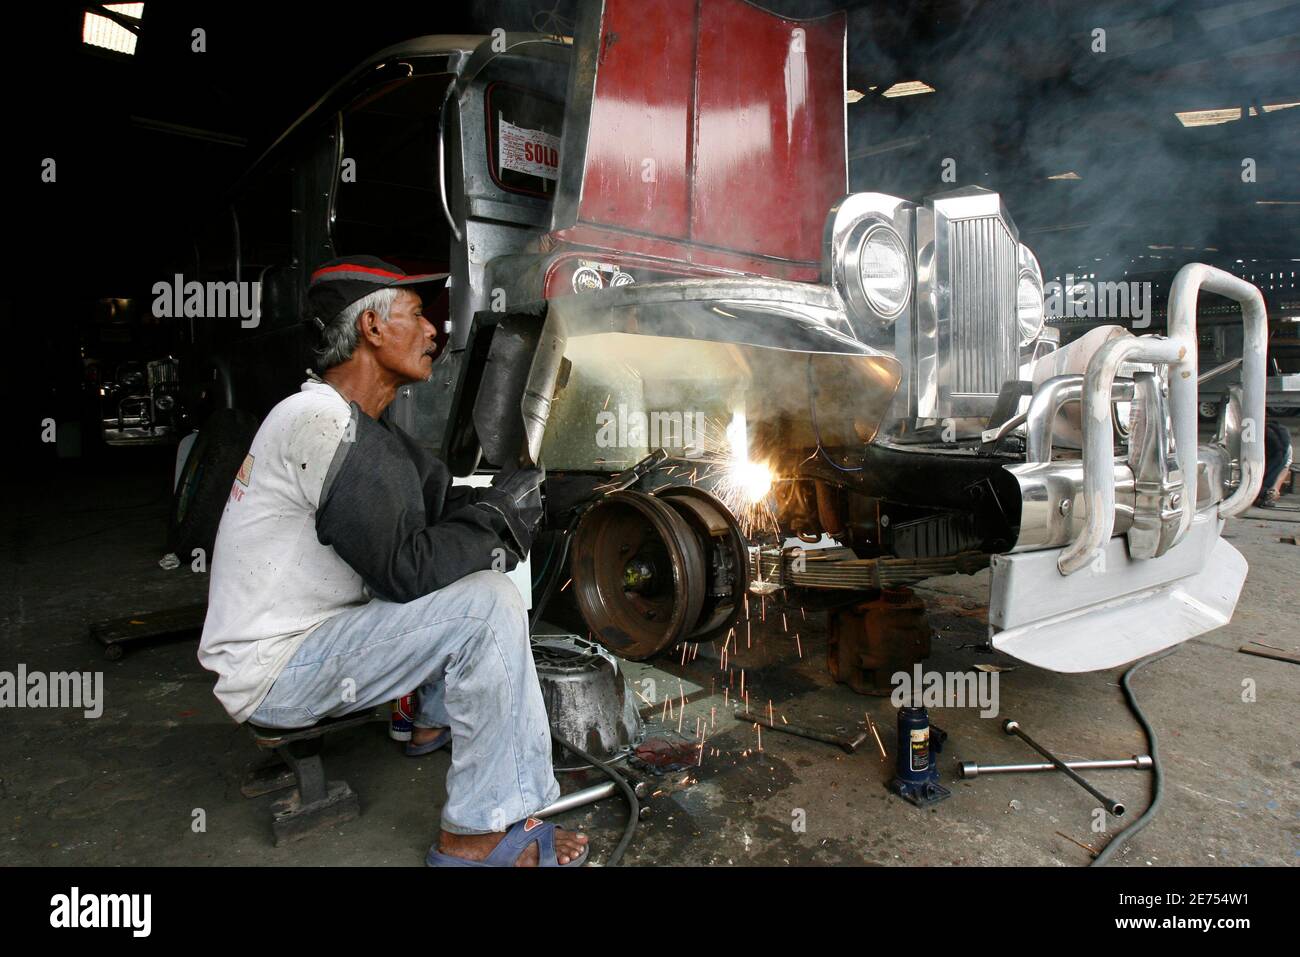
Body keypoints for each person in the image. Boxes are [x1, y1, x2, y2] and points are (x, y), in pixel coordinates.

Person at [198, 255, 589, 867]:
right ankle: (475, 836)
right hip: (278, 672)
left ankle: (427, 724)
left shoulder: (363, 424)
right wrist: (496, 523)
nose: (434, 330)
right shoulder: (322, 422)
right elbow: (405, 569)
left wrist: (531, 495)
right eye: (416, 315)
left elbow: (440, 503)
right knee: (484, 606)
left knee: (468, 568)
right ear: (373, 330)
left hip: (308, 641)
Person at [1257, 418, 1293, 507]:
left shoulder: (1286, 448)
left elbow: (1285, 467)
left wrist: (1275, 487)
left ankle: (1264, 491)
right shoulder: (1253, 442)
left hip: (1276, 454)